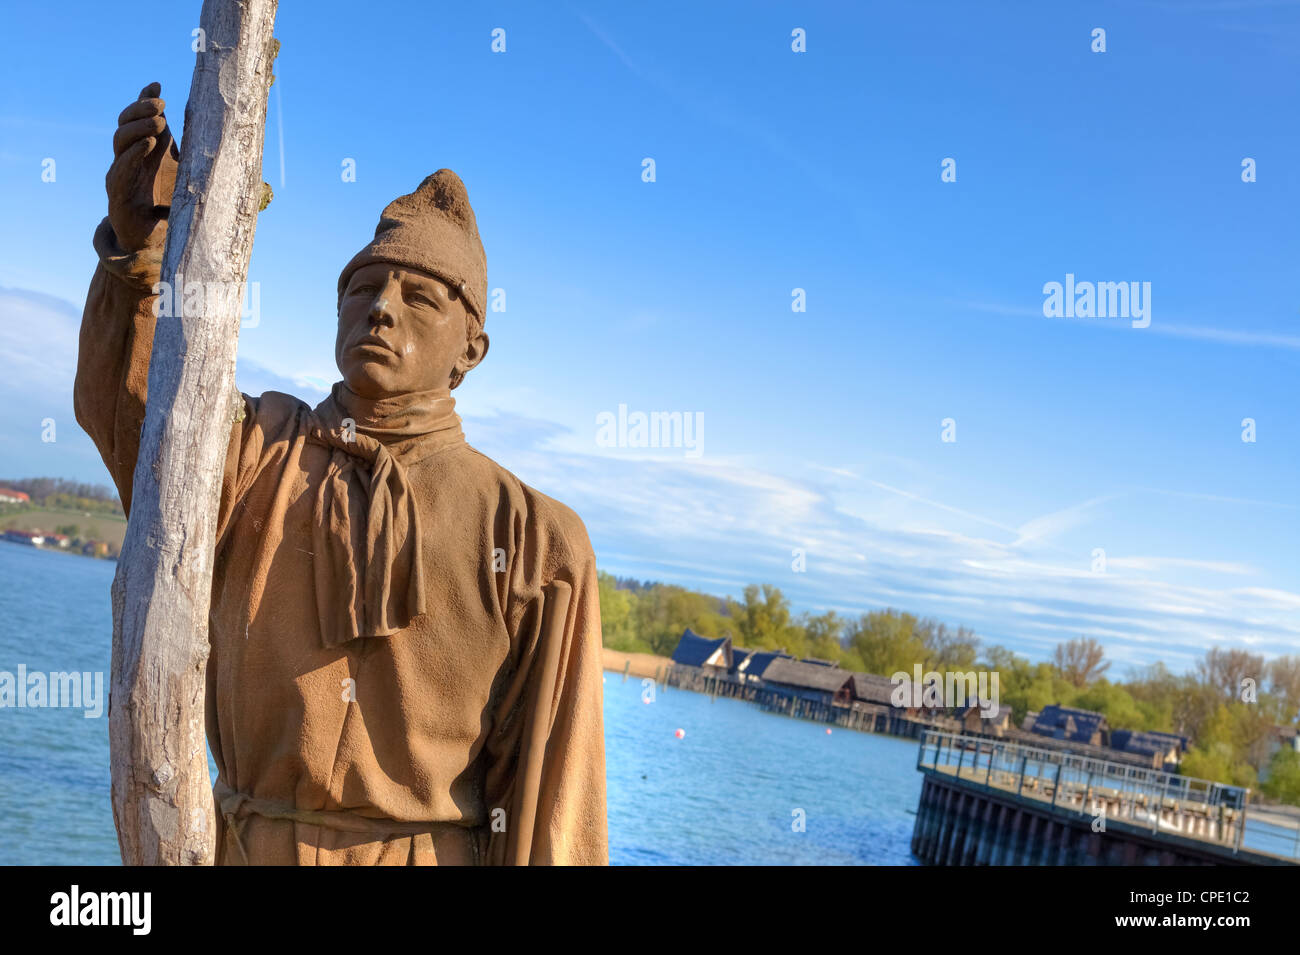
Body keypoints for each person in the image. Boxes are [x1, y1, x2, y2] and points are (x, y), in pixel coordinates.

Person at [75, 83, 608, 865]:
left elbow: (553, 811)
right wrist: (144, 258)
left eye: (420, 297)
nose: (382, 308)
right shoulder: (254, 447)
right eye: (362, 288)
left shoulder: (534, 539)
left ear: (471, 349)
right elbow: (139, 419)